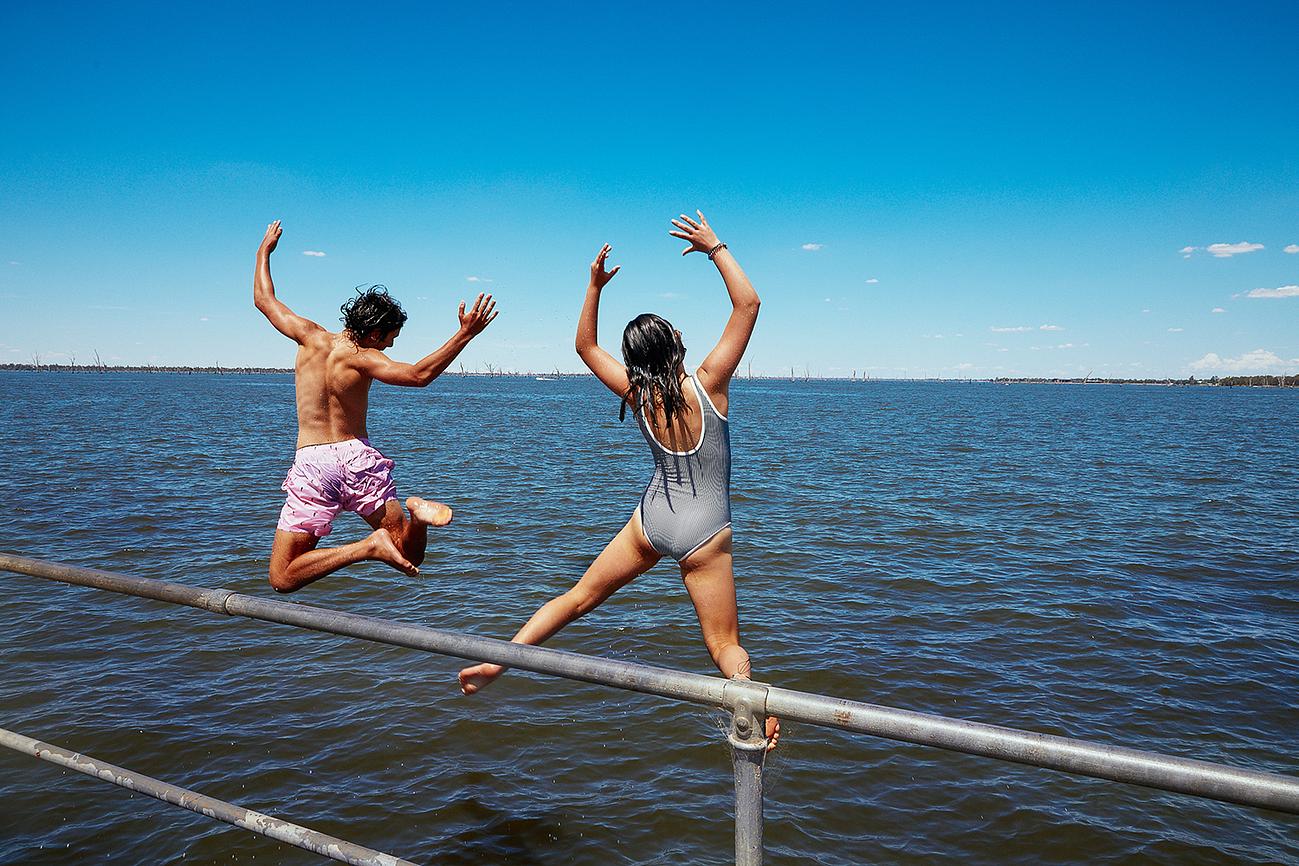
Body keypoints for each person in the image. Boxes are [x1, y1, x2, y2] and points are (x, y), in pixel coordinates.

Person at [458, 211, 779, 748]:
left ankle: (496, 664)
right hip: (703, 532)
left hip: (653, 518)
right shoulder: (709, 385)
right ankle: (755, 712)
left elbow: (585, 347)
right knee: (724, 646)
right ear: (677, 339)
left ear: (634, 362)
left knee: (578, 597)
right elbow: (749, 304)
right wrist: (715, 248)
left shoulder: (638, 394)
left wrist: (593, 286)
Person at [253, 220, 498, 592]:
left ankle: (365, 548)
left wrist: (264, 251)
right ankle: (411, 520)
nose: (390, 346)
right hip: (356, 459)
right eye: (389, 338)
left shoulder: (308, 337)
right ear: (372, 332)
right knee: (409, 553)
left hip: (313, 464)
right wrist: (464, 334)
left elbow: (263, 299)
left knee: (283, 577)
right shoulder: (364, 358)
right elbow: (419, 375)